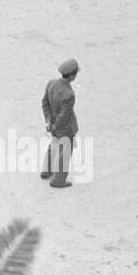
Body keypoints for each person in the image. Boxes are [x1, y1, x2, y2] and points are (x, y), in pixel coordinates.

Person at [41, 59, 79, 188]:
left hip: (52, 125)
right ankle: (58, 180)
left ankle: (46, 170)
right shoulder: (69, 94)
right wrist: (56, 126)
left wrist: (49, 122)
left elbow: (45, 103)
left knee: (53, 146)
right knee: (65, 153)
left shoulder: (51, 83)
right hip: (65, 129)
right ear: (73, 76)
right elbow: (64, 116)